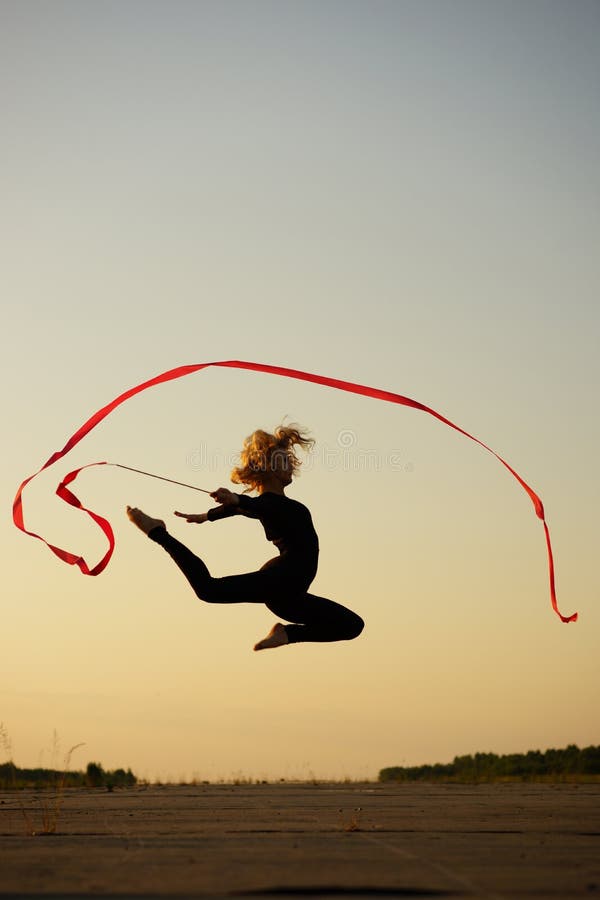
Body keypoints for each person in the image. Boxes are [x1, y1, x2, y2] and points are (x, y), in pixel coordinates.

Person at [126, 424, 364, 651]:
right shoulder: (273, 505)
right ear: (266, 467)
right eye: (283, 460)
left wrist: (208, 515)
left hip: (290, 598)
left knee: (353, 626)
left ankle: (287, 634)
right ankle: (158, 533)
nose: (290, 465)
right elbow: (258, 506)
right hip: (282, 579)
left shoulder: (279, 507)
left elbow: (253, 507)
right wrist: (233, 502)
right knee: (208, 590)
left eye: (290, 460)